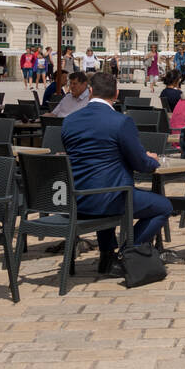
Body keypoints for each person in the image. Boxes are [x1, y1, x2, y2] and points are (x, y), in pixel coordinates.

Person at [61, 72, 169, 274]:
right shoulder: (121, 122)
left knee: (106, 186)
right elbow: (140, 163)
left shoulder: (69, 121)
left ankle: (107, 255)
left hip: (76, 198)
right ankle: (127, 250)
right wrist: (151, 159)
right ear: (116, 94)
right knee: (163, 206)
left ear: (90, 91)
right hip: (111, 198)